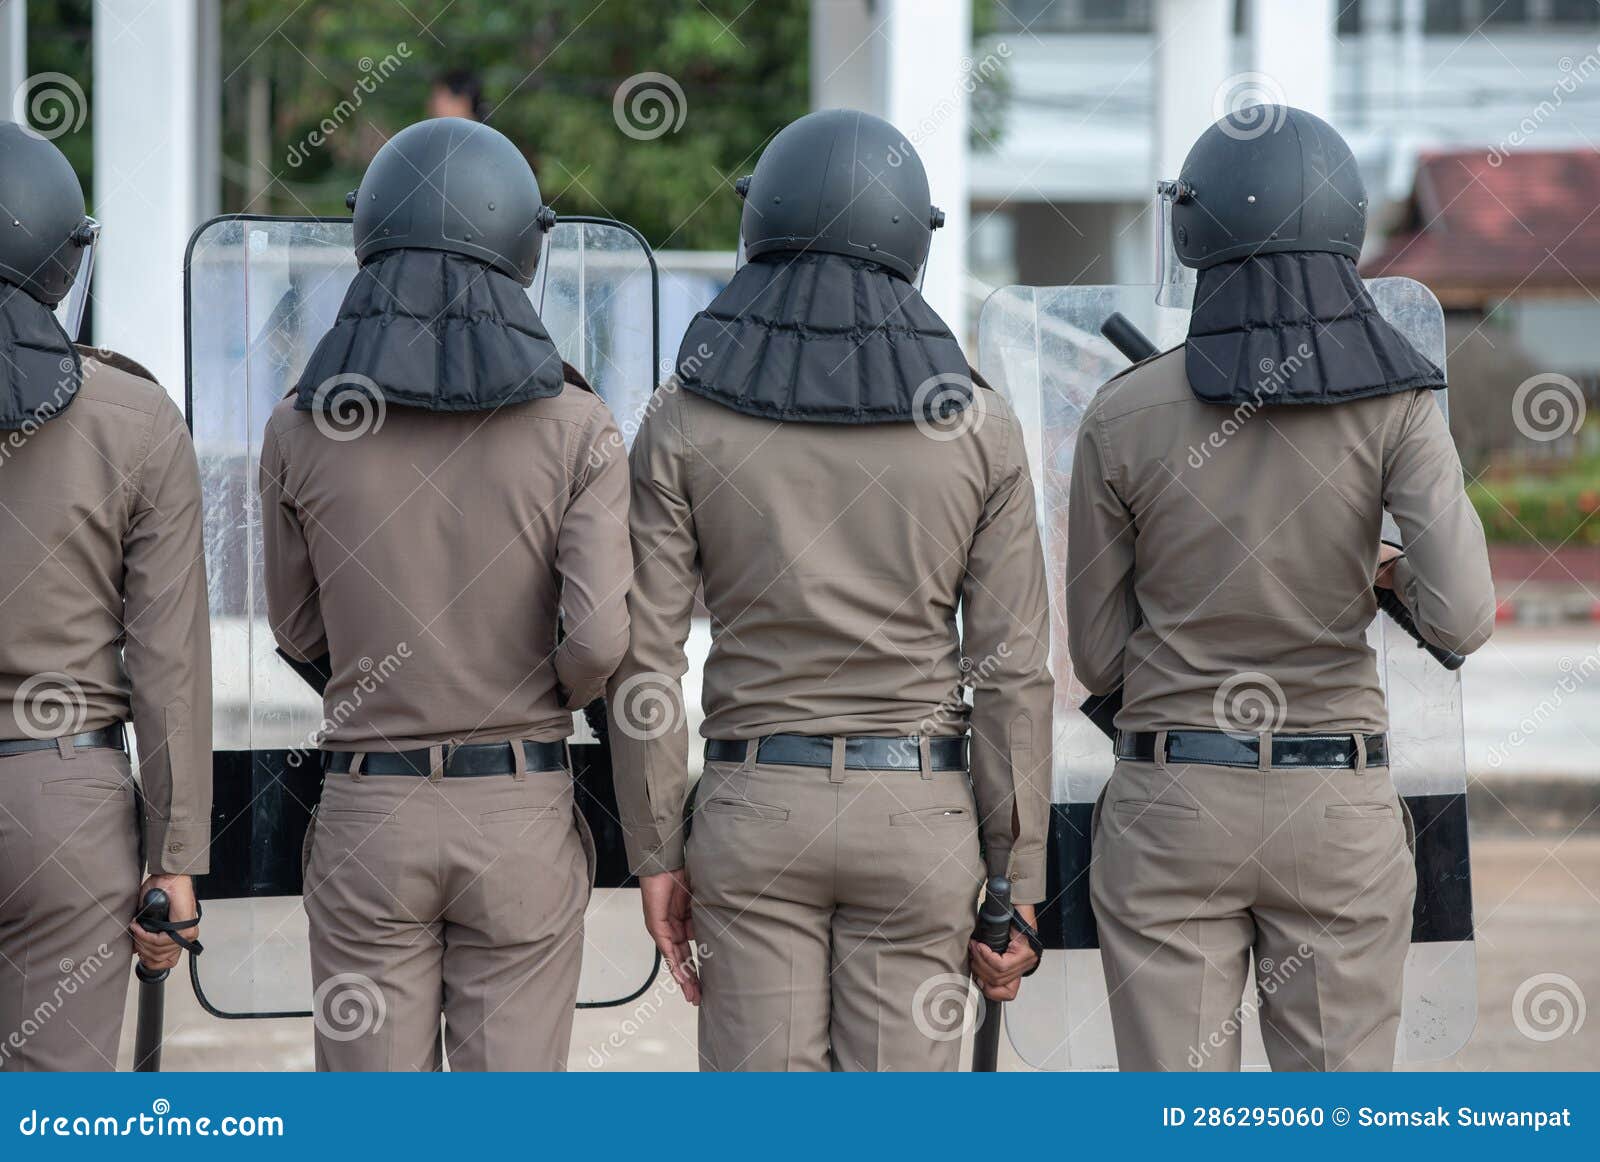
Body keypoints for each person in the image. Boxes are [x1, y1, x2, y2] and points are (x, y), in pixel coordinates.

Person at [609, 108, 1052, 1072]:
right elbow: (1013, 672)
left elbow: (643, 654)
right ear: (909, 241)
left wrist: (655, 849)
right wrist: (1014, 875)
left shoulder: (681, 420)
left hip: (753, 809)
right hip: (920, 819)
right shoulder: (980, 428)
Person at [1068, 106, 1496, 1072]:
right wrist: (1382, 573)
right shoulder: (1400, 400)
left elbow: (1094, 657)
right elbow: (1464, 616)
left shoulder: (1123, 412)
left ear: (1193, 229)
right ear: (1344, 224)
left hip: (1173, 801)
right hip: (1334, 808)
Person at [260, 117, 630, 1071]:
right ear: (522, 242)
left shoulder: (301, 428)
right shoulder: (579, 425)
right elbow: (595, 641)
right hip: (516, 809)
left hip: (367, 815)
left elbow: (295, 626)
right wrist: (533, 696)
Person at [0, 121, 209, 1071]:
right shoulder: (135, 419)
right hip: (63, 806)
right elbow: (168, 662)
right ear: (64, 258)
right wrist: (175, 860)